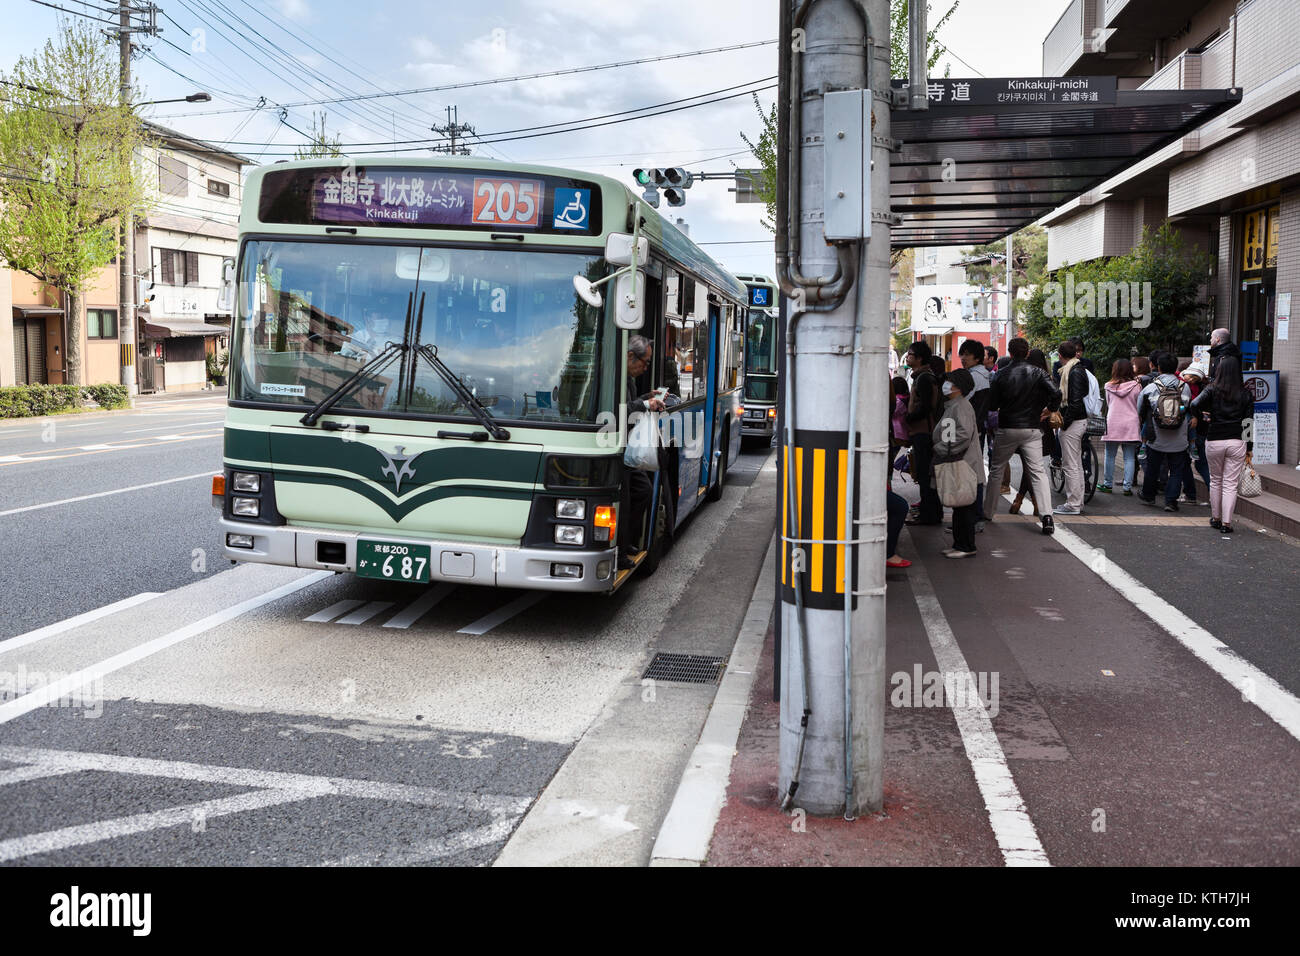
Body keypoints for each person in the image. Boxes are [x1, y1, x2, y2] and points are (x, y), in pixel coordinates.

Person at [984, 337, 1060, 535]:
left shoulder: (1000, 374)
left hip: (1007, 427)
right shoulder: (1039, 373)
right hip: (1032, 428)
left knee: (996, 470)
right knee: (1038, 472)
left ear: (1009, 353)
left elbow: (991, 405)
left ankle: (988, 512)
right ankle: (1047, 516)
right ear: (1027, 353)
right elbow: (1057, 393)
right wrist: (1049, 409)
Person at [1189, 355, 1255, 534]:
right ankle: (1227, 523)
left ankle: (1215, 518)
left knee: (1216, 480)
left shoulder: (1211, 389)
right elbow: (1248, 422)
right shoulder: (1246, 394)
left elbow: (1194, 403)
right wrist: (1249, 447)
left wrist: (1202, 416)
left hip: (1215, 438)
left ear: (1219, 371)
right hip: (1237, 441)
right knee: (1230, 483)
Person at [618, 335, 666, 569]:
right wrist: (647, 405)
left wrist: (645, 398)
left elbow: (630, 404)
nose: (645, 367)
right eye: (644, 362)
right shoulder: (616, 375)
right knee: (627, 498)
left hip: (627, 450)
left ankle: (626, 541)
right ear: (630, 356)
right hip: (616, 448)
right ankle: (618, 551)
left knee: (643, 490)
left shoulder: (630, 379)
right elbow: (621, 411)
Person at [932, 367, 982, 558]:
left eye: (950, 382)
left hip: (963, 463)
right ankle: (959, 544)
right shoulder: (954, 405)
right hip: (959, 461)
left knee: (964, 508)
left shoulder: (959, 407)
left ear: (958, 387)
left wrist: (941, 448)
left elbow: (961, 435)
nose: (946, 385)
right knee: (959, 507)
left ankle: (966, 546)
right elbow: (950, 433)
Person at [1137, 352, 1191, 512]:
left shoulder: (1151, 388)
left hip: (1156, 436)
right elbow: (1186, 408)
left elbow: (1139, 409)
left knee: (1152, 467)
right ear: (1175, 368)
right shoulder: (1184, 387)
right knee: (1176, 470)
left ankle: (1148, 495)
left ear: (1159, 368)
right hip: (1179, 437)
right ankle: (1171, 501)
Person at [904, 341, 943, 525]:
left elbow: (927, 406)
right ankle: (932, 512)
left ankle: (930, 515)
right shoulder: (923, 376)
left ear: (919, 358)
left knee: (925, 475)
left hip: (924, 432)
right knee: (926, 474)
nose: (908, 357)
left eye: (910, 354)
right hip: (924, 431)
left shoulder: (925, 378)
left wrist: (908, 418)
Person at [1053, 340, 1090, 515]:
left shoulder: (1073, 372)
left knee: (1070, 465)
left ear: (1060, 356)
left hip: (1073, 422)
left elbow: (1074, 402)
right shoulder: (1078, 369)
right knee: (1075, 464)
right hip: (1079, 421)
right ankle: (1077, 502)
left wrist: (1064, 423)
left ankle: (1073, 504)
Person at [958, 339, 991, 527]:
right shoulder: (984, 375)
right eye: (962, 354)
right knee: (974, 472)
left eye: (967, 355)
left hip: (970, 430)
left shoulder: (973, 377)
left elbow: (964, 403)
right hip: (977, 429)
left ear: (977, 357)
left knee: (970, 473)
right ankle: (974, 516)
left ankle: (974, 517)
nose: (963, 358)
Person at [1099, 358, 1142, 495]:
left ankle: (1107, 484)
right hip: (1131, 422)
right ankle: (1127, 487)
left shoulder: (1108, 386)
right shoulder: (1137, 386)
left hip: (1113, 422)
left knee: (1110, 455)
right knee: (1129, 457)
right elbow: (1138, 405)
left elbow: (1109, 403)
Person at [1181, 361, 1212, 502]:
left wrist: (1195, 415)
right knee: (1201, 463)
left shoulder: (1185, 386)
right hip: (1203, 430)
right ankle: (1214, 495)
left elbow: (1190, 405)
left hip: (1191, 430)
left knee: (1185, 463)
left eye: (1194, 378)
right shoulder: (1208, 387)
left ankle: (1190, 494)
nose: (1191, 380)